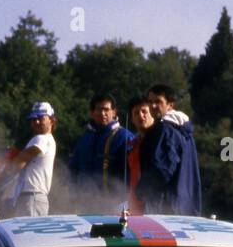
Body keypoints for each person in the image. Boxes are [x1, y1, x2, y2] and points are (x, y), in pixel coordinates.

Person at [136, 84, 202, 216]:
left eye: (158, 102)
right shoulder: (186, 132)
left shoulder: (165, 130)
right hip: (187, 205)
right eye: (150, 102)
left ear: (170, 104)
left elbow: (162, 169)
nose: (153, 106)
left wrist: (141, 191)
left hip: (166, 207)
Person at [67, 93, 134, 211]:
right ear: (92, 113)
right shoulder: (84, 139)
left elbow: (132, 172)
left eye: (106, 109)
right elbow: (73, 169)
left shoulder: (124, 137)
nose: (103, 113)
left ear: (114, 112)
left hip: (115, 204)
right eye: (99, 109)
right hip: (86, 204)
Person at [2, 102, 57, 217]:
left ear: (51, 120)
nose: (36, 122)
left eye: (40, 118)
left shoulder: (41, 139)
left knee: (28, 235)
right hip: (34, 197)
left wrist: (6, 161)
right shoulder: (48, 139)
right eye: (33, 119)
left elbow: (18, 164)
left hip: (32, 197)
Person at [124, 96, 154, 214]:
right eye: (136, 113)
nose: (141, 116)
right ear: (132, 119)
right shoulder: (132, 143)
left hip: (154, 202)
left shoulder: (159, 140)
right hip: (135, 203)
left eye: (144, 111)